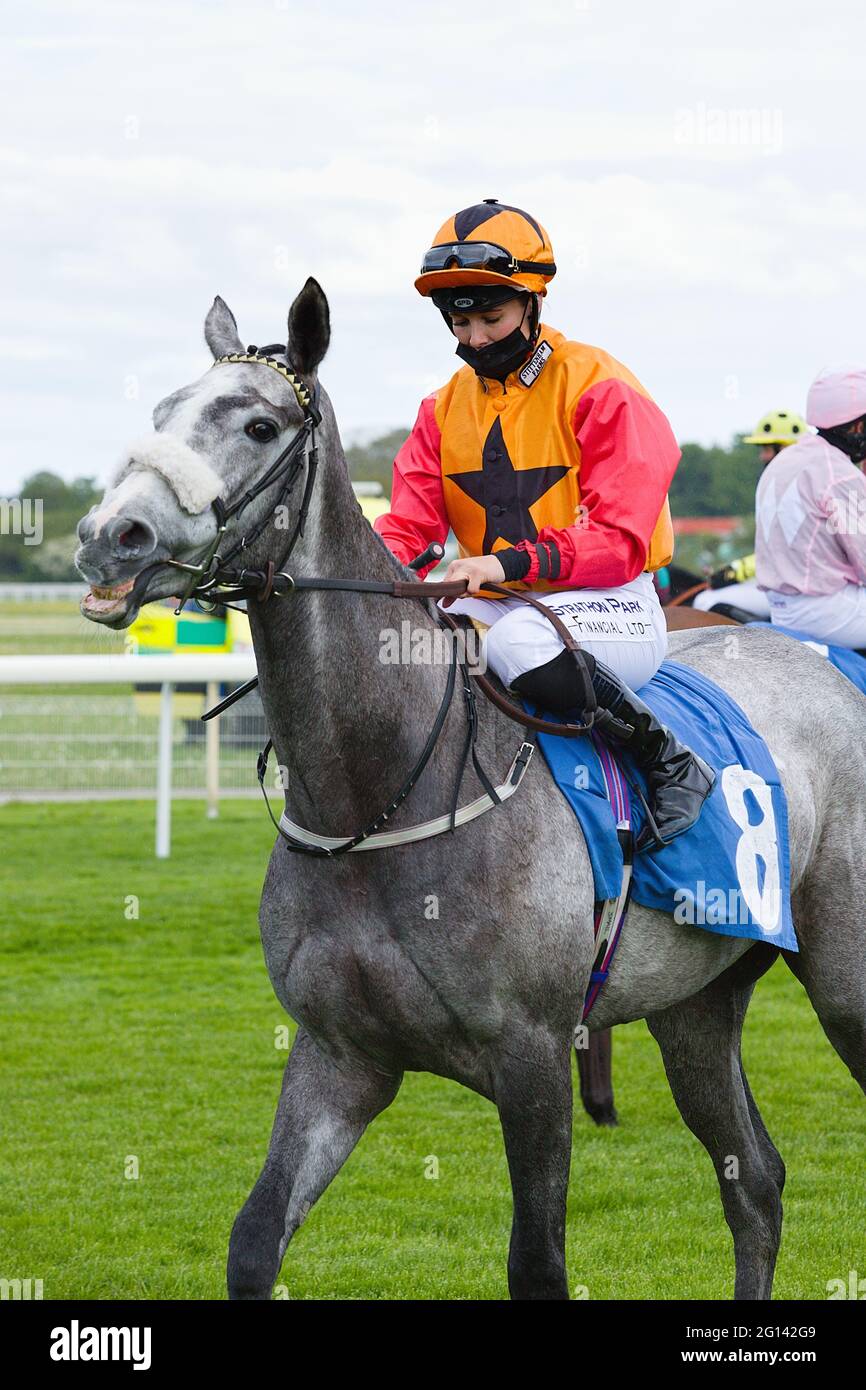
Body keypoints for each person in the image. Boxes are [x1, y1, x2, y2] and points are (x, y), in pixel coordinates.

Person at [373, 198, 714, 851]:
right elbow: (409, 530)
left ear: (532, 302)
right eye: (460, 322)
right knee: (410, 647)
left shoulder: (600, 384)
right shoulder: (441, 409)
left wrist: (502, 564)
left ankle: (669, 761)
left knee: (518, 644)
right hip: (504, 600)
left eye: (490, 318)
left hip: (611, 602)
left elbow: (619, 542)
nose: (475, 339)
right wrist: (358, 571)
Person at [755, 364, 866, 647]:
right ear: (857, 426)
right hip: (828, 612)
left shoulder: (786, 459)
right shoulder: (841, 474)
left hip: (780, 607)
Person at [693, 409, 810, 618]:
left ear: (786, 449)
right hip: (794, 584)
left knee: (705, 601)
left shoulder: (796, 490)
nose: (762, 456)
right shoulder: (798, 484)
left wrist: (736, 571)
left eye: (767, 449)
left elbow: (784, 552)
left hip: (797, 590)